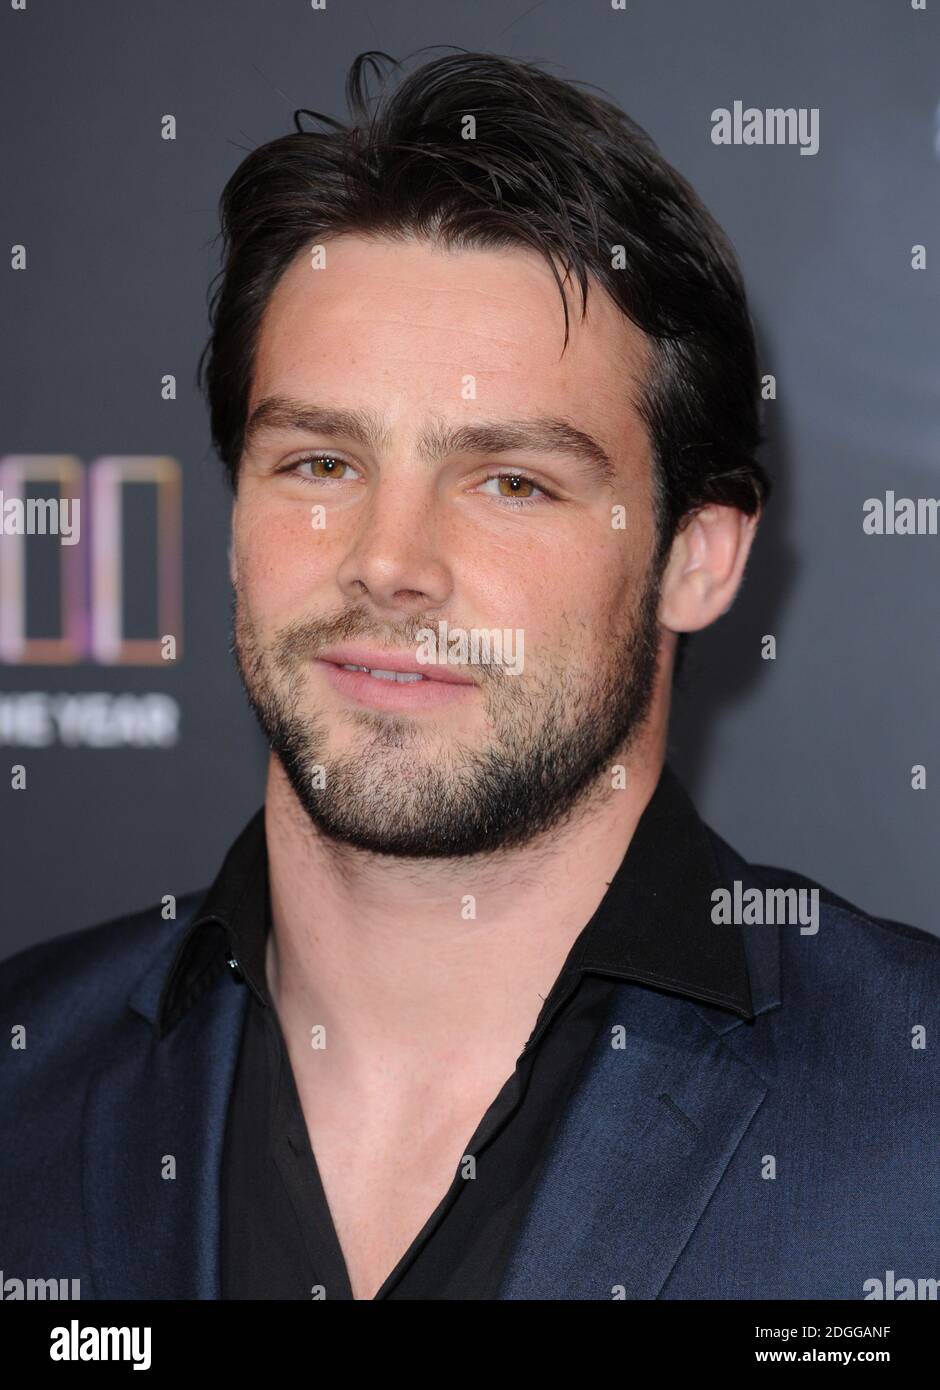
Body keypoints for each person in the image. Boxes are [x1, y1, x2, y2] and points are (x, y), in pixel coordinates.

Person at [2, 48, 937, 1302]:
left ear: (696, 558)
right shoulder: (24, 1080)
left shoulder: (911, 1120)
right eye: (320, 463)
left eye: (510, 481)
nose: (389, 564)